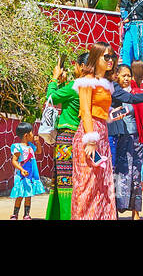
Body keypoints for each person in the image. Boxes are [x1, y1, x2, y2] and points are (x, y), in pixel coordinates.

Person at [72, 42, 118, 221]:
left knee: (102, 185)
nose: (110, 60)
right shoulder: (87, 80)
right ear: (95, 57)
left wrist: (112, 116)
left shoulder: (106, 83)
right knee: (86, 185)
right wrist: (90, 140)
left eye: (112, 56)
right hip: (88, 134)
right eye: (106, 56)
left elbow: (101, 112)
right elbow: (85, 110)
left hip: (102, 134)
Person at [109, 62, 143, 219]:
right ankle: (114, 210)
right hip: (118, 140)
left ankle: (135, 212)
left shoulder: (136, 93)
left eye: (129, 75)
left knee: (135, 177)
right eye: (123, 75)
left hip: (134, 141)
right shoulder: (113, 95)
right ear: (116, 77)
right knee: (118, 175)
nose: (126, 78)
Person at [44, 53, 87, 220]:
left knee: (64, 181)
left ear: (82, 67)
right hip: (79, 136)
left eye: (76, 65)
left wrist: (54, 79)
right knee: (72, 180)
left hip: (67, 137)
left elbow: (51, 98)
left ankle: (64, 216)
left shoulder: (75, 85)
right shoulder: (89, 85)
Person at [9, 121, 45, 219]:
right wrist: (21, 169)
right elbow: (14, 161)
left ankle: (26, 214)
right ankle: (15, 214)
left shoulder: (31, 146)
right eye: (31, 132)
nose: (33, 135)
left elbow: (38, 151)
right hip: (21, 175)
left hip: (30, 175)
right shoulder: (17, 147)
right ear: (26, 135)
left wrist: (37, 143)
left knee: (28, 195)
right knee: (20, 195)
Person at [118, 0, 143, 69]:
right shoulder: (129, 3)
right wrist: (122, 22)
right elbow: (128, 18)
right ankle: (126, 69)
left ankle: (142, 70)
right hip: (130, 26)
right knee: (126, 48)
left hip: (139, 26)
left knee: (139, 49)